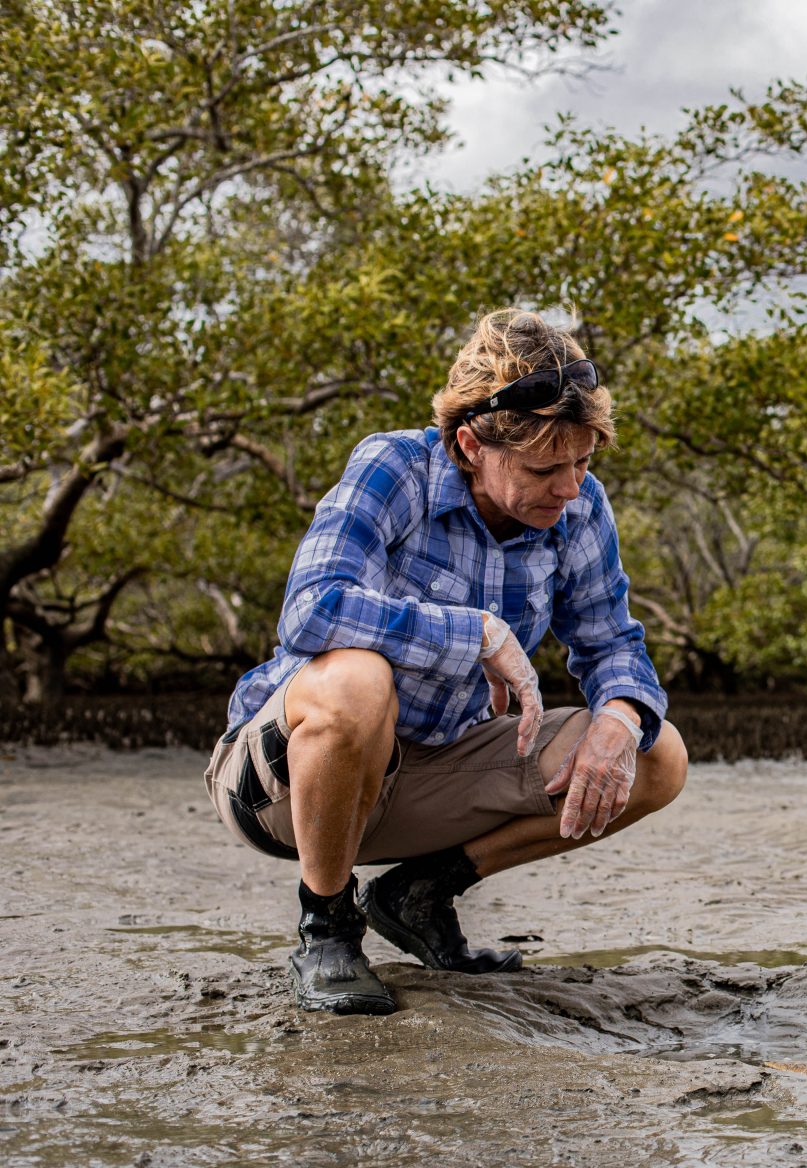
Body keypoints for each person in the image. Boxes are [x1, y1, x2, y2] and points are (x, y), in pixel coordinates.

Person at [206, 309, 688, 1016]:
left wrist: (618, 714)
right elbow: (311, 610)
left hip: (433, 768)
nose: (572, 487)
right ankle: (327, 925)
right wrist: (477, 634)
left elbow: (614, 642)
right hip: (280, 783)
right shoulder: (394, 467)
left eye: (584, 462)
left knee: (656, 754)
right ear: (470, 443)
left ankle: (421, 893)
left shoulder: (580, 508)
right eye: (545, 468)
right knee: (356, 680)